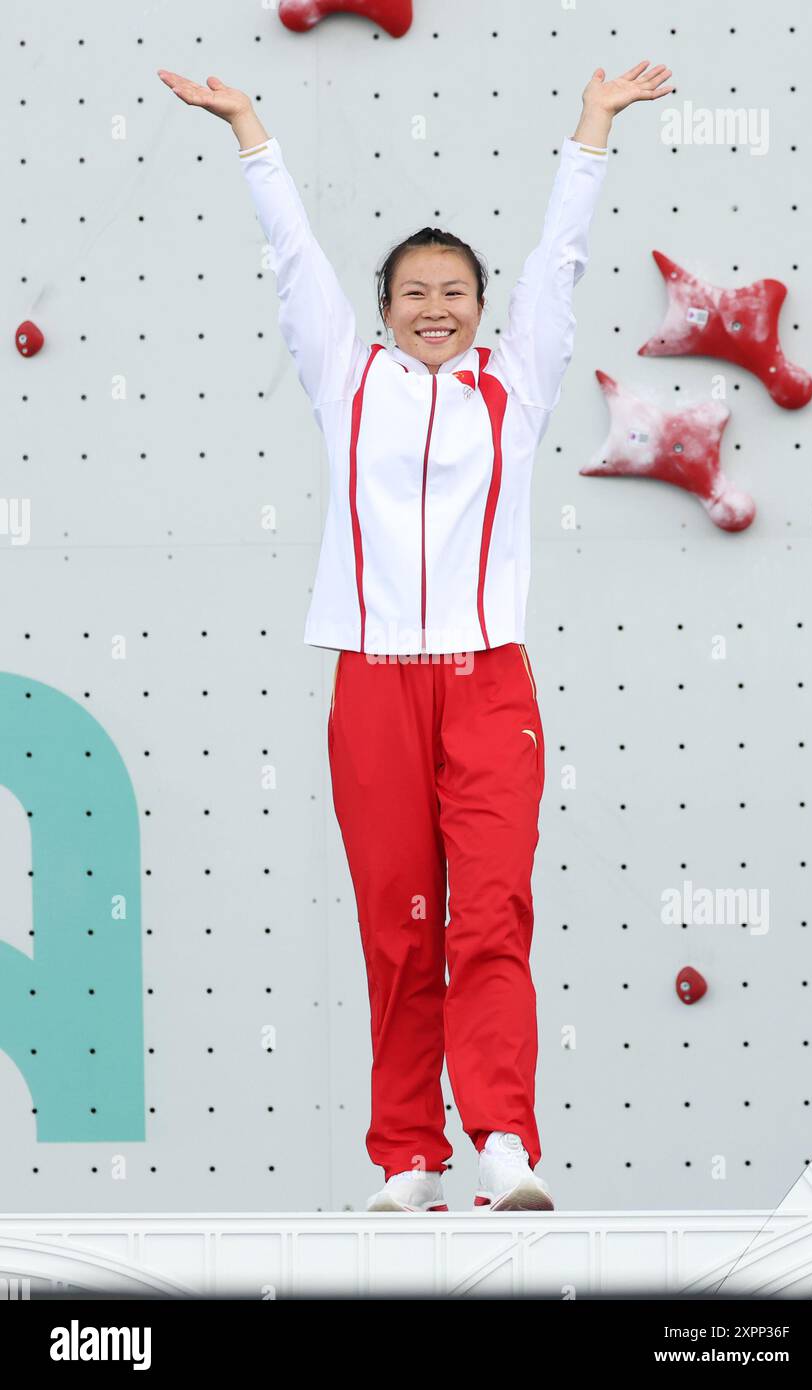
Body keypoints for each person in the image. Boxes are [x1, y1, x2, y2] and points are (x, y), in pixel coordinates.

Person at [158, 59, 674, 1213]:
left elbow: (561, 261)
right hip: (372, 688)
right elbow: (294, 259)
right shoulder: (343, 379)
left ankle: (500, 1142)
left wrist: (588, 124)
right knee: (400, 928)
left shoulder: (520, 381)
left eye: (453, 290)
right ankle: (407, 1155)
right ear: (382, 307)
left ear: (480, 308)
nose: (434, 307)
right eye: (412, 291)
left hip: (489, 683)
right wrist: (251, 130)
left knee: (487, 915)